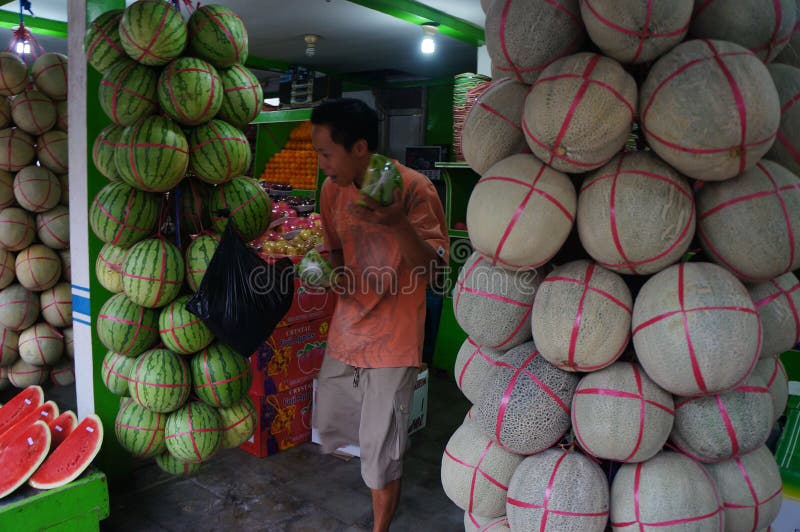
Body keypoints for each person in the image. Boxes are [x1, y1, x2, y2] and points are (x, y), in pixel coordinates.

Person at [310, 98, 449, 532]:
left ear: (359, 148)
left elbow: (435, 271)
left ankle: (379, 527)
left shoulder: (415, 189)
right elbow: (334, 245)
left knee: (382, 448)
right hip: (349, 331)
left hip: (395, 337)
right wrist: (331, 273)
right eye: (316, 153)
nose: (321, 164)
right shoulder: (331, 188)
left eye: (326, 153)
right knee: (334, 427)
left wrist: (396, 224)